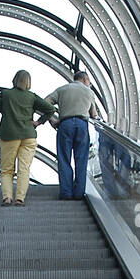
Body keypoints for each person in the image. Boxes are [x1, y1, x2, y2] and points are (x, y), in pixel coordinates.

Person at [0, 70, 55, 205]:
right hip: (28, 136)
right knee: (24, 169)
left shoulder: (5, 95)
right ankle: (20, 198)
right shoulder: (32, 97)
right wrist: (38, 122)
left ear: (14, 80)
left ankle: (7, 197)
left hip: (9, 135)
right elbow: (50, 109)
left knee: (7, 169)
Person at [46, 71, 99, 200]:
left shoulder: (62, 89)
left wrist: (52, 119)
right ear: (85, 80)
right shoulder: (89, 92)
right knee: (81, 159)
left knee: (64, 158)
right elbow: (93, 114)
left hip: (65, 123)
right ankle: (79, 193)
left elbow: (45, 102)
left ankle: (66, 192)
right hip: (82, 125)